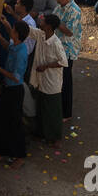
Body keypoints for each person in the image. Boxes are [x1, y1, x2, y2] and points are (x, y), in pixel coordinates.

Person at [0, 19, 30, 166]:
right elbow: (7, 46)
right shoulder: (16, 46)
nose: (10, 31)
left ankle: (20, 157)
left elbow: (17, 78)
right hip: (9, 88)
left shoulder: (21, 52)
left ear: (17, 34)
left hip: (14, 91)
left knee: (14, 123)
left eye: (13, 30)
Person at [25, 12, 68, 143]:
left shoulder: (56, 43)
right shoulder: (41, 34)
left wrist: (46, 66)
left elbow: (63, 62)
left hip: (52, 83)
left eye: (43, 21)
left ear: (48, 26)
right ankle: (41, 133)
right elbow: (27, 29)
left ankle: (56, 138)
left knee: (53, 111)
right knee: (42, 108)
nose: (40, 22)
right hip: (41, 80)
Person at [51, 0, 82, 128]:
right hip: (58, 46)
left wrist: (56, 23)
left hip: (68, 49)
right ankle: (59, 108)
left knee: (66, 81)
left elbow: (69, 32)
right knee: (59, 79)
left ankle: (67, 113)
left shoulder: (75, 11)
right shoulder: (59, 6)